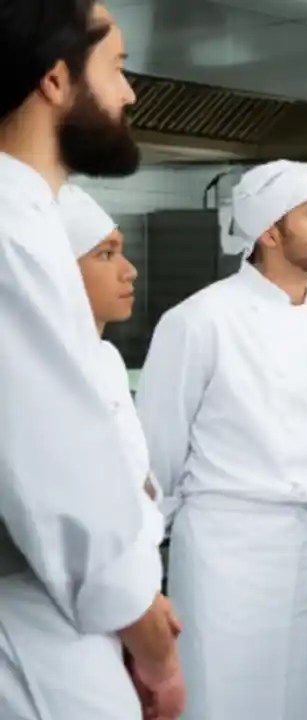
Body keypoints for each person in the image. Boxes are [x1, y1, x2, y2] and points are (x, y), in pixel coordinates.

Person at [0, 2, 184, 719]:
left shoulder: (30, 219)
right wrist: (157, 655)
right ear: (54, 80)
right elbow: (63, 485)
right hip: (35, 626)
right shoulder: (12, 235)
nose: (131, 94)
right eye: (117, 67)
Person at [134, 159, 307, 719]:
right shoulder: (199, 320)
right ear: (269, 232)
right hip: (225, 545)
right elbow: (154, 454)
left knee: (302, 698)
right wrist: (141, 569)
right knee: (222, 698)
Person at [59, 183, 165, 541]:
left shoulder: (106, 358)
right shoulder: (35, 373)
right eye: (106, 254)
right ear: (56, 270)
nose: (130, 270)